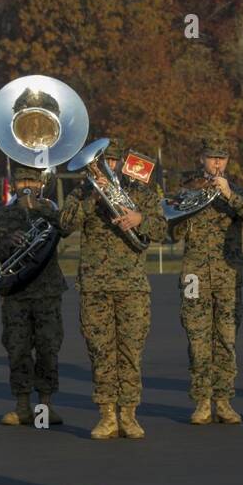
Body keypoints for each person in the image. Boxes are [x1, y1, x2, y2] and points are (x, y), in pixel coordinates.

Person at [61, 140, 166, 438]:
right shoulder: (82, 192)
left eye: (111, 160)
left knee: (131, 351)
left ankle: (129, 414)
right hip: (95, 285)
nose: (105, 165)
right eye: (101, 160)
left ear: (122, 162)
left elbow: (162, 229)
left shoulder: (141, 194)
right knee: (101, 351)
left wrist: (139, 218)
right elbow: (65, 225)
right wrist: (93, 199)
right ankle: (107, 415)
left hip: (132, 286)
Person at [169, 136, 243, 425]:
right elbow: (171, 233)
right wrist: (184, 210)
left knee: (226, 340)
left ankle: (223, 400)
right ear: (202, 160)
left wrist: (229, 194)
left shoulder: (238, 192)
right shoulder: (187, 192)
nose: (217, 163)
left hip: (227, 274)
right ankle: (202, 401)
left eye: (222, 158)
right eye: (211, 157)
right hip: (195, 274)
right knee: (197, 340)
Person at [0, 165, 66, 426]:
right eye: (22, 182)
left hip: (47, 291)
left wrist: (40, 210)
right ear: (13, 185)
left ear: (42, 185)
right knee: (17, 349)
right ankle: (22, 406)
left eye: (32, 181)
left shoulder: (51, 212)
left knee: (49, 348)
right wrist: (7, 241)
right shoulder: (1, 216)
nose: (27, 186)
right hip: (16, 293)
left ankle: (46, 406)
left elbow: (68, 228)